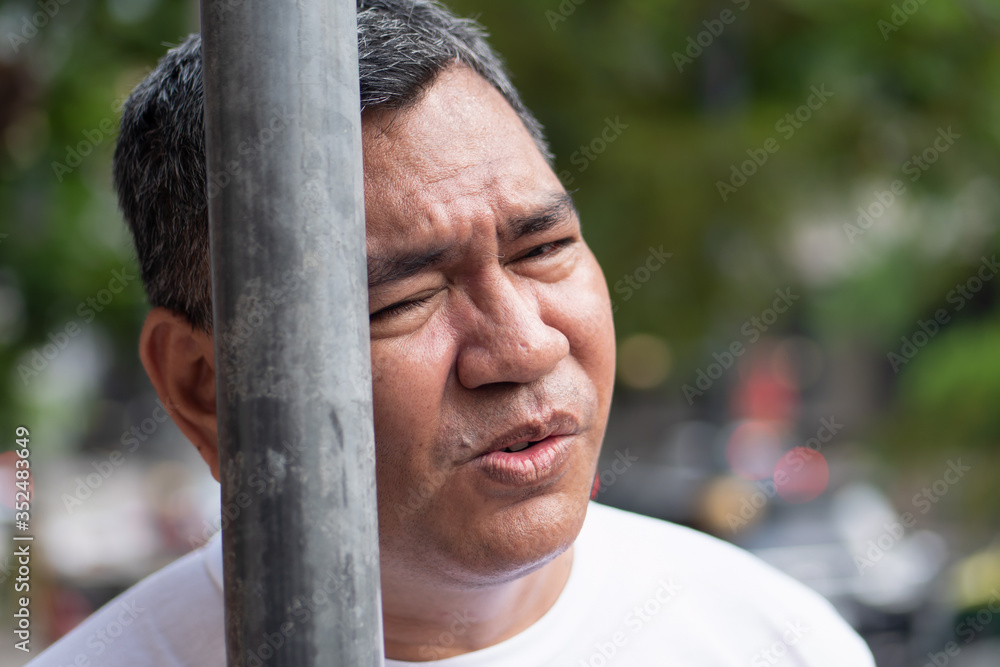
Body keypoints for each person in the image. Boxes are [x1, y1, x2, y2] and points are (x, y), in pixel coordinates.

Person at [28, 1, 875, 665]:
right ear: (203, 387)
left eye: (542, 249)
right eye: (401, 300)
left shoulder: (779, 640)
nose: (522, 347)